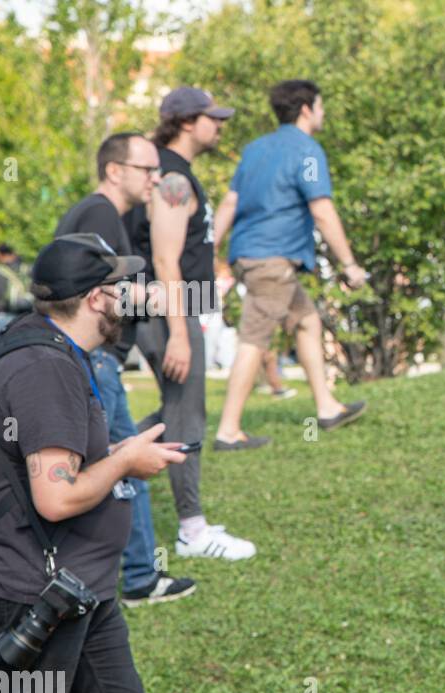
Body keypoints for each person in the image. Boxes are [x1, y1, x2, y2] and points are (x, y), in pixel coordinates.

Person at [0, 233, 187, 693]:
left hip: (80, 587)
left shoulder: (42, 348)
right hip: (38, 595)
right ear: (96, 298)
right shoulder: (46, 370)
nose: (132, 296)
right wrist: (125, 464)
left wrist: (122, 454)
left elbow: (50, 469)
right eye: (122, 287)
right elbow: (56, 499)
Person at [55, 131, 197, 606]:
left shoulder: (100, 216)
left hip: (93, 358)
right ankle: (128, 577)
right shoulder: (98, 214)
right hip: (96, 359)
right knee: (116, 463)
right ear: (115, 171)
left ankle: (120, 575)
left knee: (112, 462)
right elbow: (89, 289)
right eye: (147, 170)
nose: (156, 179)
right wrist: (153, 296)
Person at [124, 86, 256, 561]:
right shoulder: (172, 177)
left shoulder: (176, 173)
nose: (220, 126)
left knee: (180, 411)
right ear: (185, 121)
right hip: (167, 310)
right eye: (212, 118)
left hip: (182, 303)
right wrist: (180, 331)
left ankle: (108, 454)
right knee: (186, 413)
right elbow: (164, 258)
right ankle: (192, 531)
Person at [212, 79, 369, 451]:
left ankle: (327, 407)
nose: (323, 112)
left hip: (252, 255)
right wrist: (349, 264)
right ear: (305, 110)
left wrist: (211, 246)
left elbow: (230, 203)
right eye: (321, 105)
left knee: (306, 320)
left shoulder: (254, 150)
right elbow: (322, 209)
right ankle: (228, 431)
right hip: (274, 259)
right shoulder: (308, 153)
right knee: (255, 337)